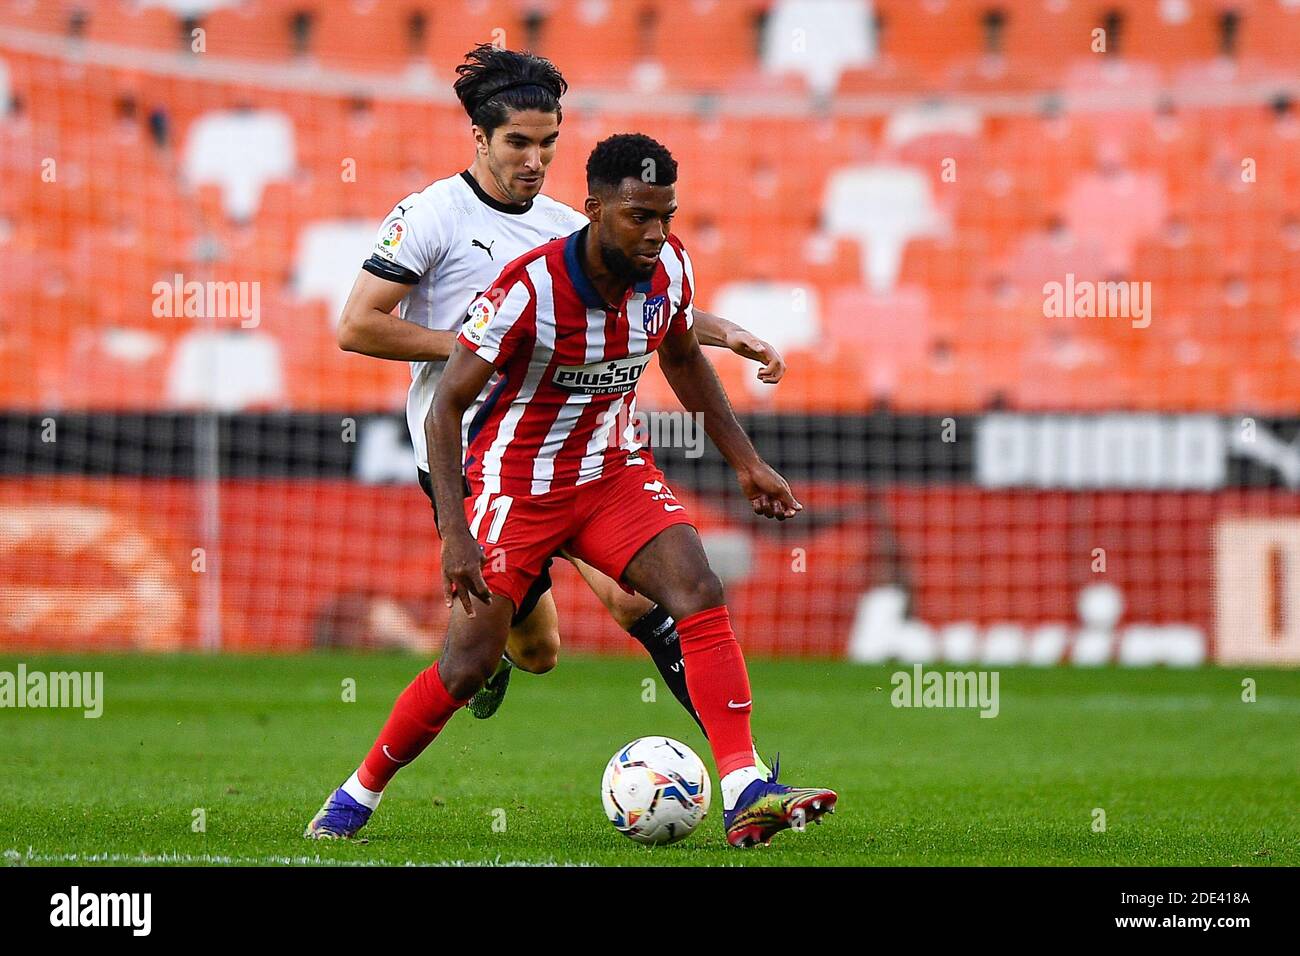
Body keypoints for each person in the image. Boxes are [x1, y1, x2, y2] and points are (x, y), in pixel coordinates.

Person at [307, 133, 837, 848]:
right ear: (592, 210)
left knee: (698, 590)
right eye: (638, 217)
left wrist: (746, 461)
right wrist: (456, 531)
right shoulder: (528, 288)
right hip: (516, 488)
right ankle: (354, 795)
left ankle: (748, 789)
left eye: (665, 216)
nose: (654, 234)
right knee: (470, 665)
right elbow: (445, 407)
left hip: (611, 471)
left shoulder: (670, 271)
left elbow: (683, 361)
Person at [336, 43, 786, 725]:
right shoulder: (432, 215)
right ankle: (484, 662)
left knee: (641, 599)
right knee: (540, 648)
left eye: (548, 144)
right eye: (518, 142)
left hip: (572, 445)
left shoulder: (566, 224)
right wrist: (485, 350)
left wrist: (725, 332)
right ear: (479, 137)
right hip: (474, 455)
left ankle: (745, 773)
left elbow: (645, 296)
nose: (534, 160)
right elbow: (358, 325)